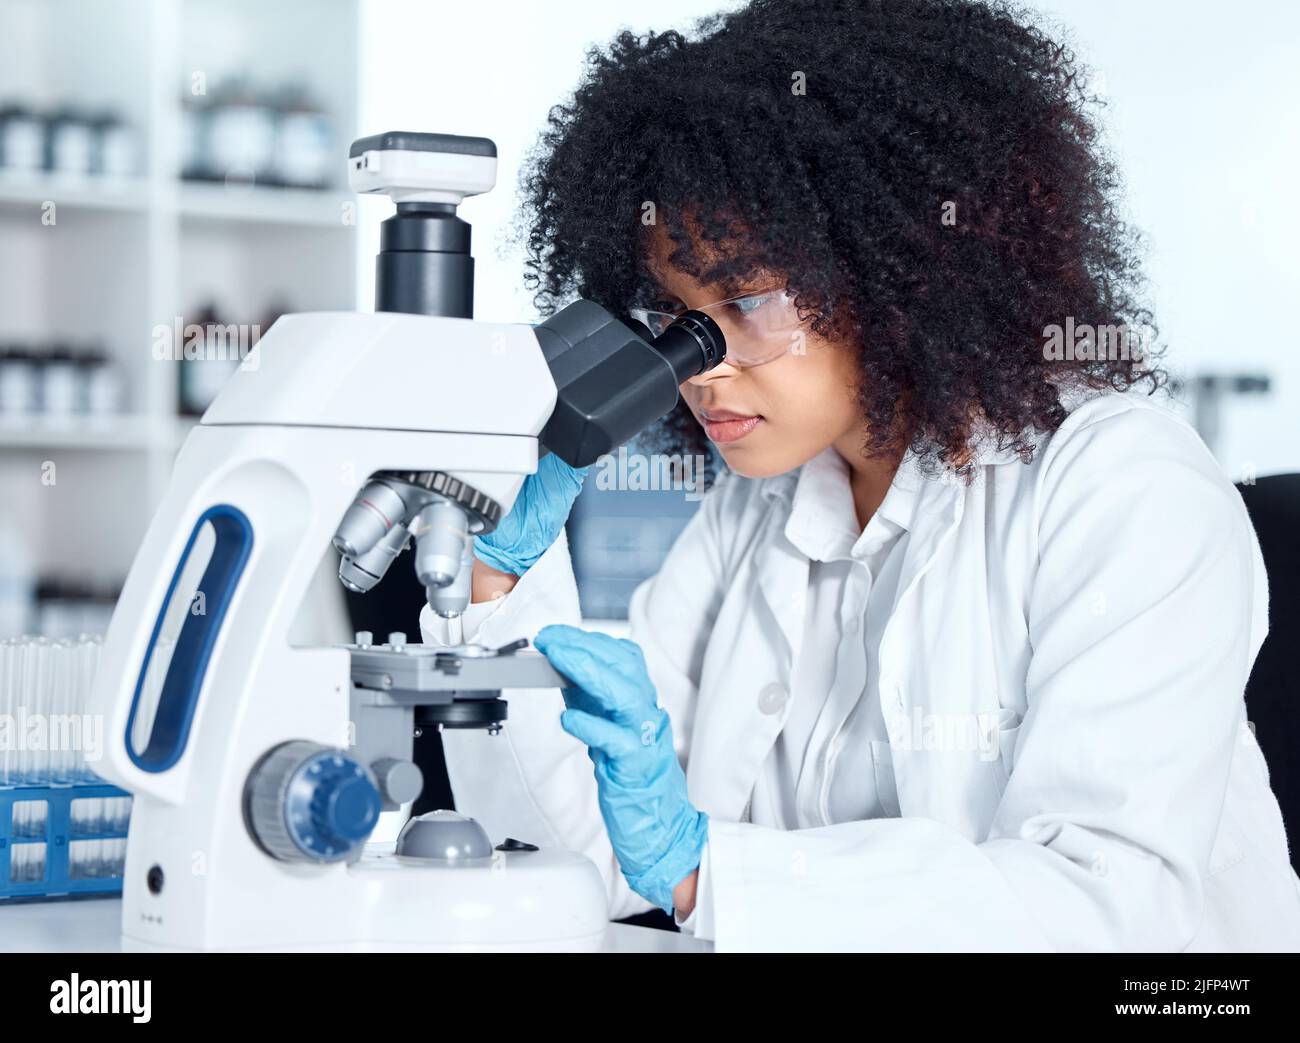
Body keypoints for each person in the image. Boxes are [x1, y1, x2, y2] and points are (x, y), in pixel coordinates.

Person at [420, 0, 1300, 950]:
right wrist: (496, 580)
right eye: (674, 316)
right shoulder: (753, 511)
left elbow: (1105, 911)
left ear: (903, 269)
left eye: (745, 304)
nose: (698, 366)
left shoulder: (1126, 487)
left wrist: (706, 867)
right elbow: (589, 857)